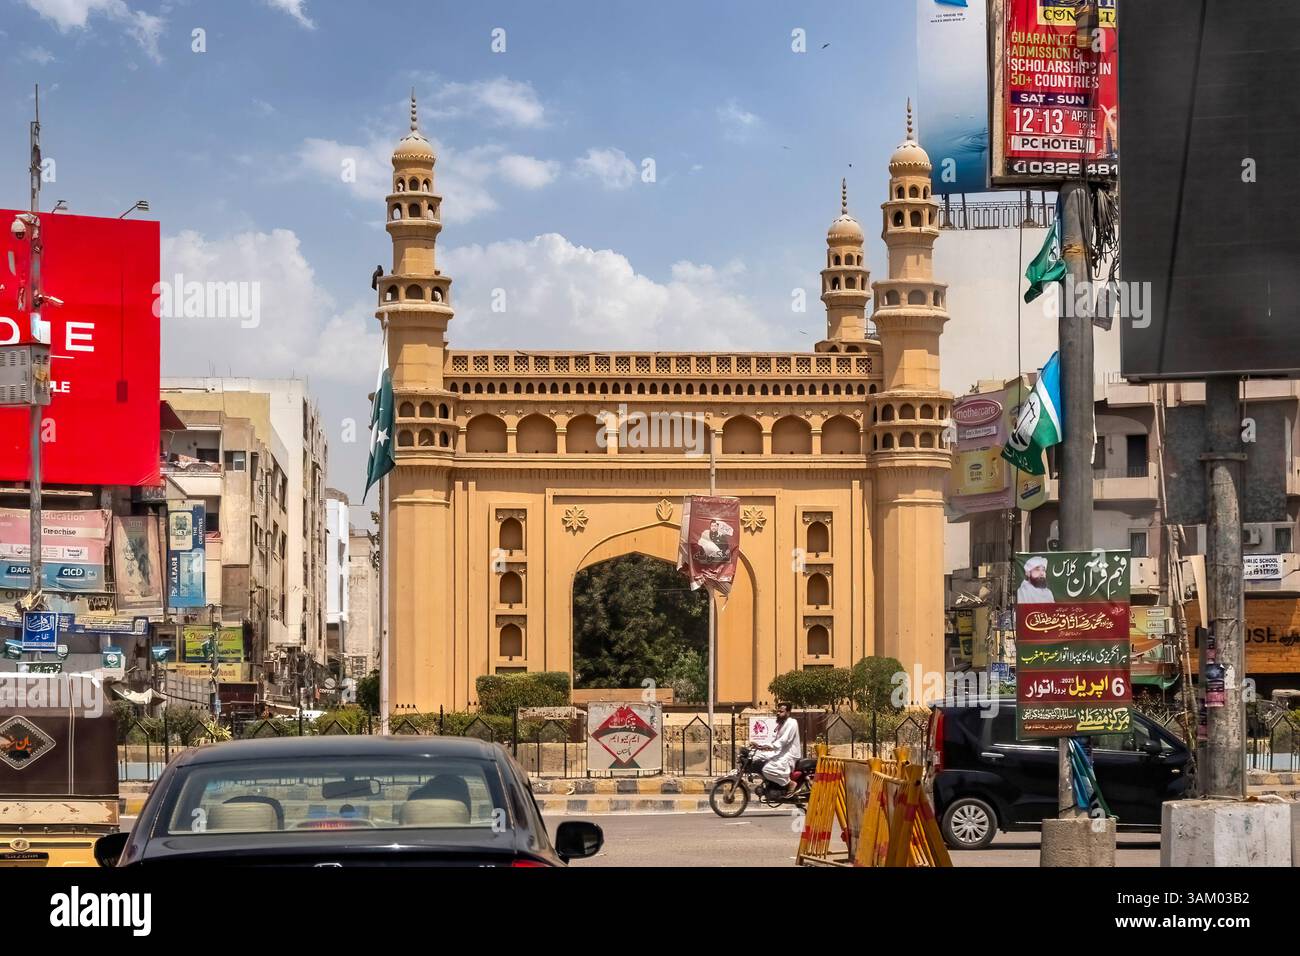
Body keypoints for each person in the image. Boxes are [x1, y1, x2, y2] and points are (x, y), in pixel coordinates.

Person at [750, 702, 802, 796]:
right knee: (757, 757)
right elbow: (775, 741)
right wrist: (760, 746)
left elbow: (784, 740)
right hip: (781, 752)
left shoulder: (792, 723)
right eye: (778, 711)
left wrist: (769, 746)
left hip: (790, 755)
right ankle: (769, 783)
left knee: (767, 769)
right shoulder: (781, 725)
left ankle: (790, 784)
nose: (778, 713)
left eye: (781, 711)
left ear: (788, 712)